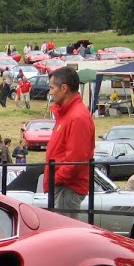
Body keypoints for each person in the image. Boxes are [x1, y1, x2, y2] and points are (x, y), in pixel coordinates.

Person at [43, 66, 96, 216]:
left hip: (67, 187)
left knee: (63, 233)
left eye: (52, 88)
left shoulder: (77, 117)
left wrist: (56, 178)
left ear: (64, 88)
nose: (50, 92)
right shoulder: (69, 114)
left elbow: (76, 159)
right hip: (63, 185)